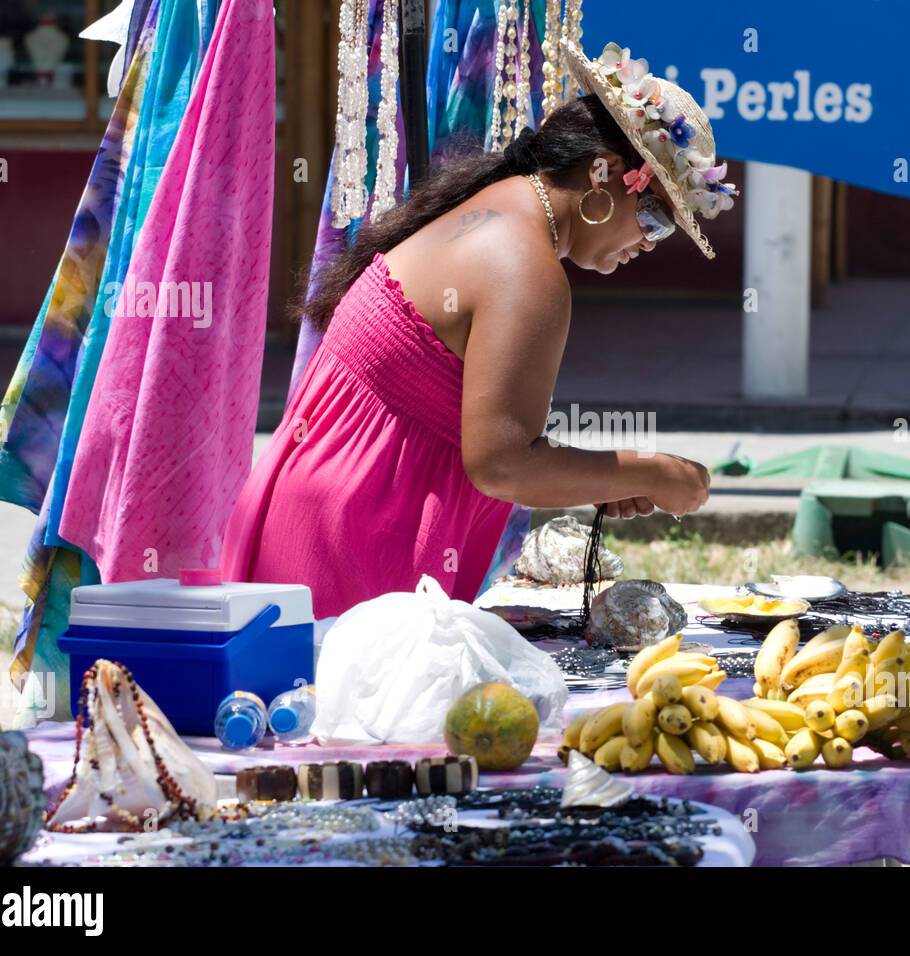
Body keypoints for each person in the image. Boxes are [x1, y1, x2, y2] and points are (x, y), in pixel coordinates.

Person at [221, 41, 741, 617]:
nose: (647, 241)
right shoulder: (526, 268)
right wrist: (654, 472)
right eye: (656, 218)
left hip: (318, 518)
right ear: (606, 172)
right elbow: (502, 464)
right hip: (347, 546)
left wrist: (607, 480)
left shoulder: (499, 209)